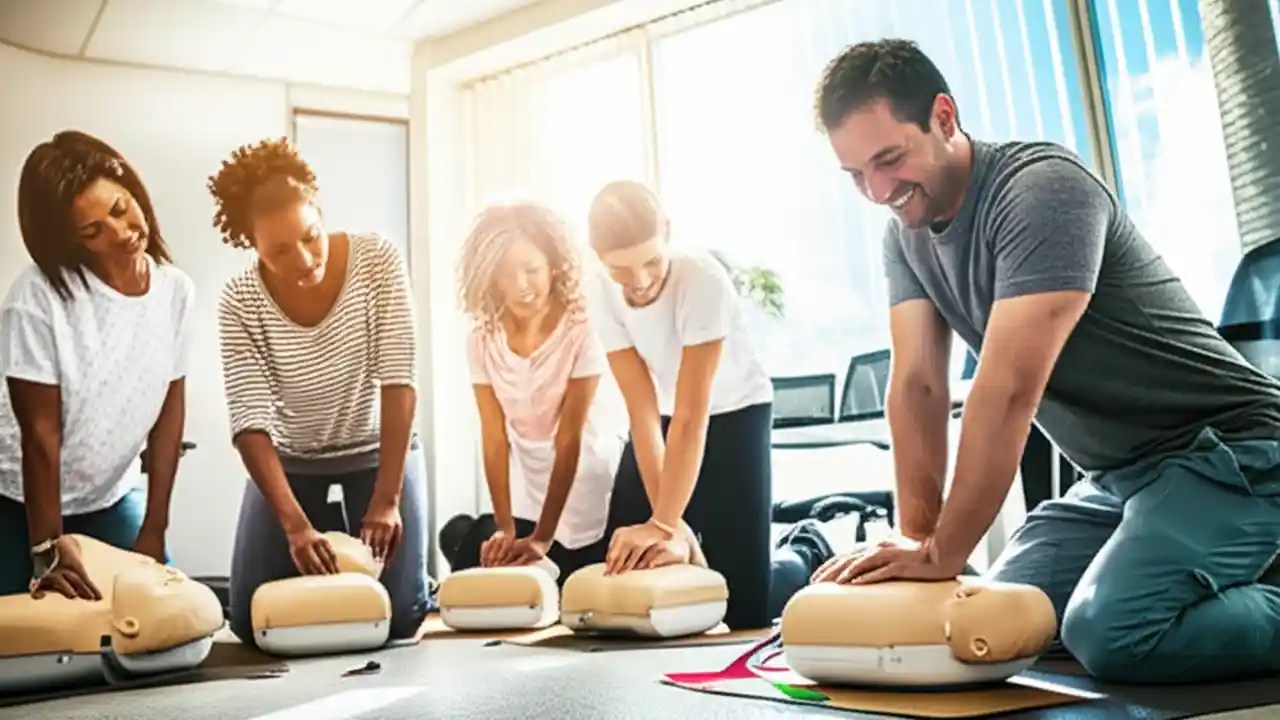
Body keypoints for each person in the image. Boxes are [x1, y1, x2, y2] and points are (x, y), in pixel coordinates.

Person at [807, 38, 1280, 684]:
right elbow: (917, 385)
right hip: (1119, 481)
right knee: (1003, 623)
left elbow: (1005, 390)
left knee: (1109, 631)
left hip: (1235, 456)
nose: (877, 189)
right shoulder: (906, 235)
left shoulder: (1042, 191)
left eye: (888, 159)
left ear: (944, 117)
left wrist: (946, 551)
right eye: (855, 174)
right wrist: (918, 541)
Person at [208, 137, 431, 644]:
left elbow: (398, 379)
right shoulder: (239, 299)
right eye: (279, 250)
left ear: (320, 210)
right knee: (247, 620)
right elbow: (249, 421)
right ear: (252, 245)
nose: (304, 258)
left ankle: (418, 582)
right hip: (293, 458)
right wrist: (293, 524)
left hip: (378, 451)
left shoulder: (377, 261)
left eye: (311, 235)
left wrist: (388, 497)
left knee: (401, 619)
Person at [0, 130, 193, 598]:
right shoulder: (37, 298)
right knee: (33, 630)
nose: (122, 233)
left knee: (165, 609)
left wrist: (155, 526)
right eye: (93, 231)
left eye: (121, 209)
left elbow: (169, 413)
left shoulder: (174, 290)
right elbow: (40, 437)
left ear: (132, 189)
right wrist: (45, 549)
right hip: (15, 500)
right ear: (70, 240)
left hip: (109, 496)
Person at [585, 180, 774, 630]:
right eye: (621, 269)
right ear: (598, 258)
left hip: (734, 413)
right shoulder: (597, 289)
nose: (641, 281)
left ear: (667, 231)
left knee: (743, 602)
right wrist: (664, 522)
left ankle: (804, 552)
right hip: (665, 416)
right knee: (629, 559)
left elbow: (693, 415)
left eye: (651, 260)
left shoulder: (702, 280)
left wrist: (667, 524)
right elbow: (643, 412)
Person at [446, 202, 632, 581]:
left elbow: (569, 439)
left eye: (531, 270)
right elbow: (495, 439)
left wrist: (543, 538)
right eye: (506, 274)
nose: (521, 286)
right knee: (475, 545)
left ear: (554, 265)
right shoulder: (482, 341)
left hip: (591, 485)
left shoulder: (582, 329)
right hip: (530, 492)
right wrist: (506, 528)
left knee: (585, 593)